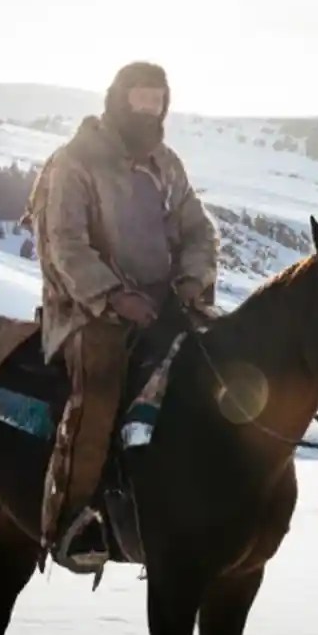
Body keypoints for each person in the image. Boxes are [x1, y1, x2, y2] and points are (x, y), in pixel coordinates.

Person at [24, 61, 219, 573]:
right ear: (118, 99)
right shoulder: (75, 163)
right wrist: (113, 297)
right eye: (141, 99)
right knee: (102, 388)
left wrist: (192, 281)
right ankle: (74, 518)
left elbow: (199, 231)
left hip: (166, 304)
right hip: (89, 310)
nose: (150, 109)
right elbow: (64, 244)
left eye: (158, 100)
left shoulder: (166, 164)